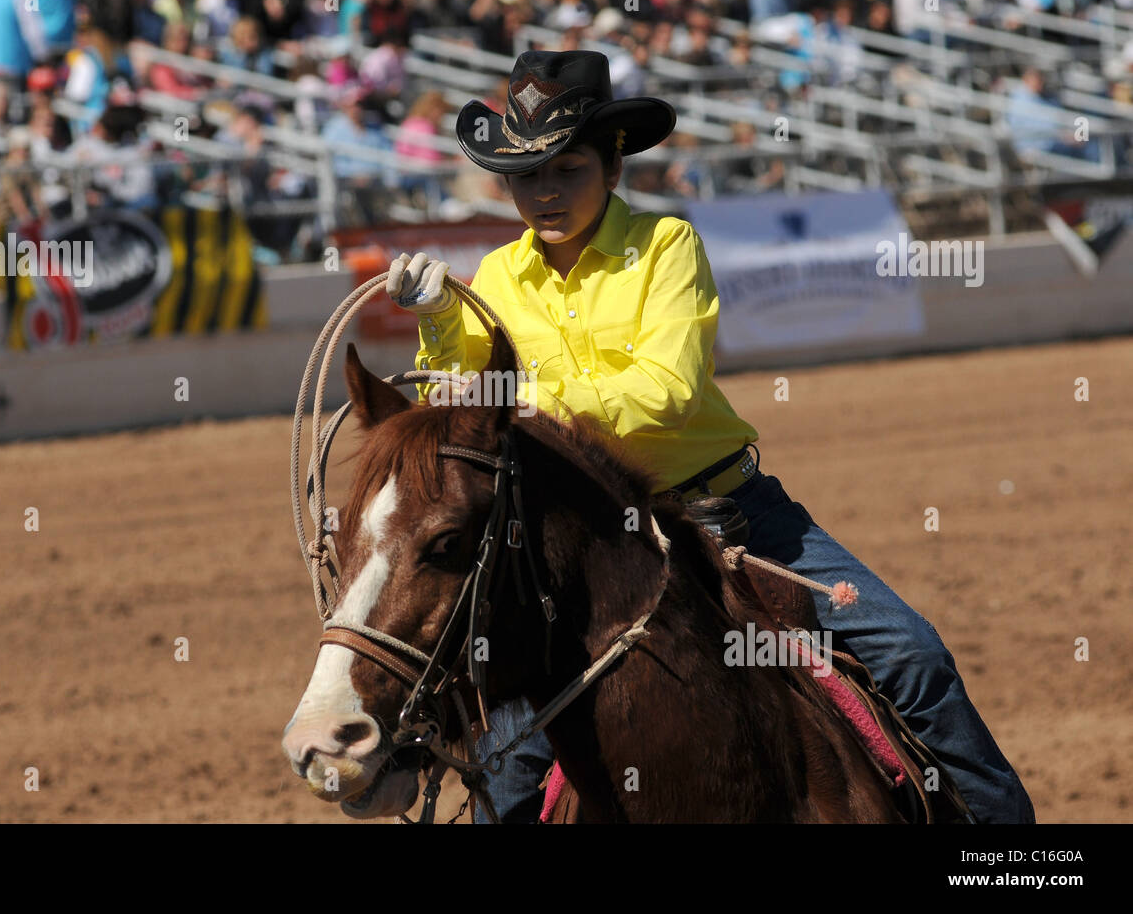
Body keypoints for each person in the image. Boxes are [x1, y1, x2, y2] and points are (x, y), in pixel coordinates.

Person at [384, 49, 1036, 825]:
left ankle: (1008, 851)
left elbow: (666, 390)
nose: (546, 191)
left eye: (568, 167)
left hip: (730, 513)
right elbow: (467, 399)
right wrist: (436, 325)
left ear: (613, 166)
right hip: (585, 542)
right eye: (527, 176)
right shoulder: (493, 277)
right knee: (507, 759)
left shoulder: (666, 247)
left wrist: (520, 402)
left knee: (912, 653)